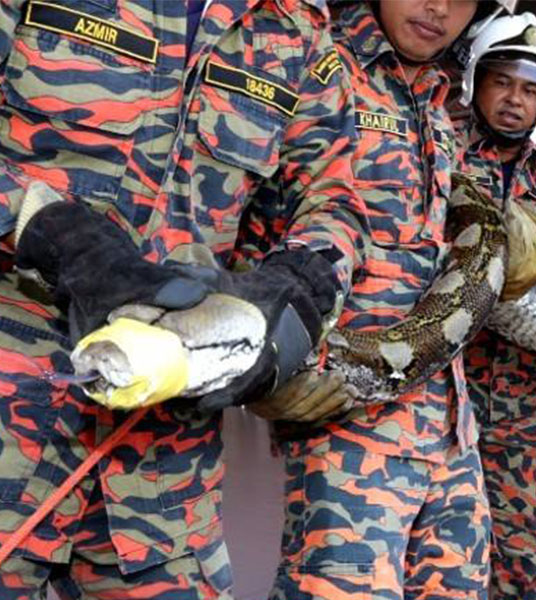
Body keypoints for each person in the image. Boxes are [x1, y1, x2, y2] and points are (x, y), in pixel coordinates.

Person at [0, 0, 354, 597]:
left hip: (165, 478)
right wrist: (41, 224)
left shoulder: (299, 40)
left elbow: (331, 202)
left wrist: (298, 282)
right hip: (15, 428)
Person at [237, 1, 520, 599]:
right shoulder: (316, 67)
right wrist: (259, 373)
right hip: (347, 431)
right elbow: (239, 221)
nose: (438, 8)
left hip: (450, 431)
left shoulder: (438, 104)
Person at [455, 12, 536, 600]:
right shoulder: (437, 159)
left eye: (531, 90)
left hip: (520, 416)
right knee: (438, 560)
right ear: (475, 83)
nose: (515, 100)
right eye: (503, 81)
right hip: (439, 404)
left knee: (523, 562)